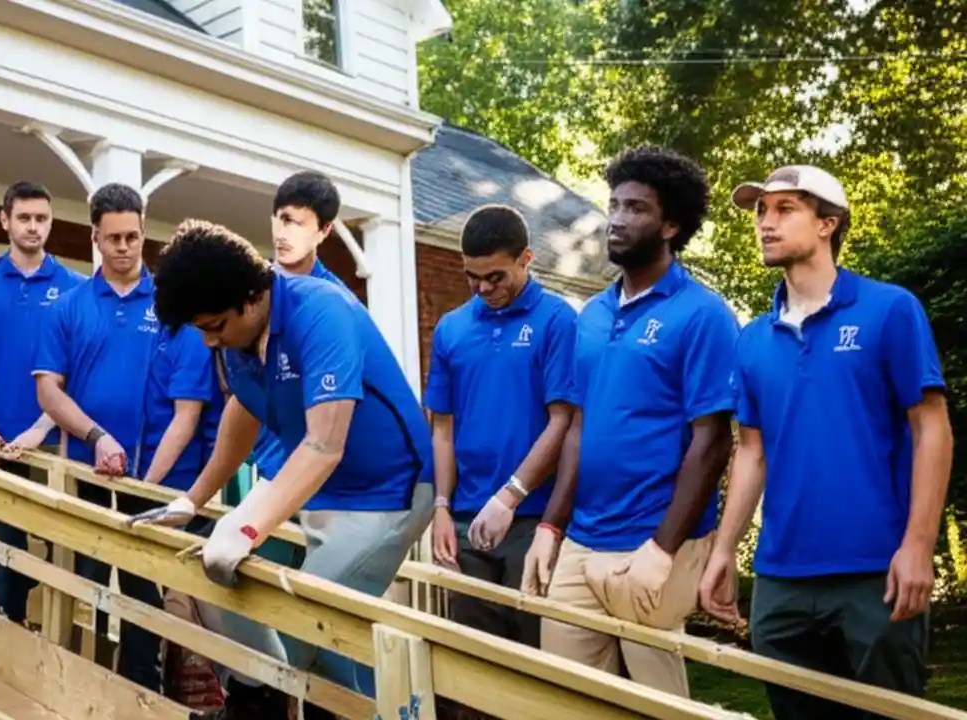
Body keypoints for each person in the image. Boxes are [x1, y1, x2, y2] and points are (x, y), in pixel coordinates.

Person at [131, 219, 434, 719]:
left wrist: (247, 525)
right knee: (236, 592)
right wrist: (194, 500)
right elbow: (242, 411)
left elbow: (323, 445)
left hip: (387, 490)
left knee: (310, 620)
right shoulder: (238, 342)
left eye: (214, 326)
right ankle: (259, 700)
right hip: (316, 490)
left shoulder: (322, 312)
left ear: (251, 298)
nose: (209, 342)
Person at [697, 166, 953, 718]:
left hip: (876, 572)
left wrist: (918, 545)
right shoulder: (752, 340)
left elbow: (931, 425)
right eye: (761, 211)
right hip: (782, 579)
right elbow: (750, 451)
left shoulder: (889, 310)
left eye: (785, 209)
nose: (765, 222)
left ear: (827, 224)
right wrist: (723, 550)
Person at [520, 146, 739, 698]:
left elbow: (712, 443)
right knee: (561, 703)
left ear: (671, 224)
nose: (616, 219)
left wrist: (663, 549)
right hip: (580, 543)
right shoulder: (591, 315)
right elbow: (577, 428)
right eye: (614, 204)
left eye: (636, 208)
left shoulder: (702, 315)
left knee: (658, 707)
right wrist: (551, 526)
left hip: (651, 544)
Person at [34, 182, 221, 691]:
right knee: (84, 589)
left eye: (132, 236)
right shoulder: (69, 306)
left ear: (144, 233)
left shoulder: (175, 310)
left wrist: (144, 488)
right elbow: (49, 392)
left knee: (144, 603)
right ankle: (80, 690)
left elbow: (188, 413)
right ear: (95, 237)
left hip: (156, 489)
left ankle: (144, 695)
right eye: (112, 237)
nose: (123, 247)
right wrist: (96, 437)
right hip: (88, 477)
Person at [425, 203, 576, 647]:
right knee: (474, 657)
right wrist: (440, 508)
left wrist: (511, 495)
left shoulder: (556, 319)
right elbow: (442, 429)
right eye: (473, 276)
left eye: (496, 276)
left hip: (533, 517)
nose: (483, 287)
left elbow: (563, 421)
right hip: (466, 518)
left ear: (525, 259)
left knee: (534, 657)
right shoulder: (451, 328)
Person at [0, 180, 84, 623]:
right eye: (25, 218)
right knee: (4, 540)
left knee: (57, 541)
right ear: (5, 221)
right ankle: (10, 627)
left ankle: (51, 638)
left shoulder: (75, 287)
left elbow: (75, 371)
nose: (34, 227)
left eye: (42, 219)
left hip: (52, 439)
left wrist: (42, 427)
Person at [248, 170, 351, 486]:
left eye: (298, 223)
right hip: (260, 467)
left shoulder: (339, 304)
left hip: (321, 477)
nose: (284, 232)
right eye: (281, 219)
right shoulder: (249, 291)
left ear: (323, 231)